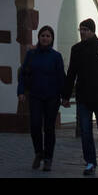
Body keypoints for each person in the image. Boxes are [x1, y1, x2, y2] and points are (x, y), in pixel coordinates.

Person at [62, 17, 98, 175]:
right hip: (83, 97)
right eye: (80, 29)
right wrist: (66, 96)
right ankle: (90, 162)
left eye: (85, 29)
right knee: (85, 131)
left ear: (92, 31)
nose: (82, 32)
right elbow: (71, 73)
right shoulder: (76, 49)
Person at [17, 25, 66, 171]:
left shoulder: (56, 56)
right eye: (42, 35)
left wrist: (65, 96)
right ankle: (39, 153)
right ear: (39, 37)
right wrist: (21, 91)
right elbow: (23, 74)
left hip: (52, 97)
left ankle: (48, 158)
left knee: (49, 128)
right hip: (35, 95)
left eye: (48, 36)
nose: (45, 38)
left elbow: (61, 77)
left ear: (52, 39)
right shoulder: (31, 55)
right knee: (35, 125)